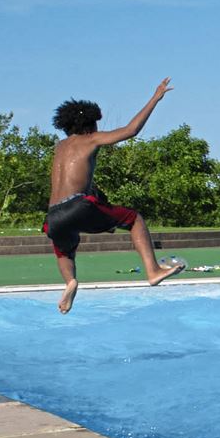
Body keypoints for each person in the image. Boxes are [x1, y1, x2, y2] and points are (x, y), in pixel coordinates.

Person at [42, 78, 184, 314]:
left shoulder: (60, 146)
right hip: (78, 205)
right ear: (90, 125)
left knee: (64, 249)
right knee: (134, 219)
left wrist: (93, 193)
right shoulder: (91, 139)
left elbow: (71, 180)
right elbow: (131, 130)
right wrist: (155, 98)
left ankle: (70, 282)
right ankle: (153, 271)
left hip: (53, 216)